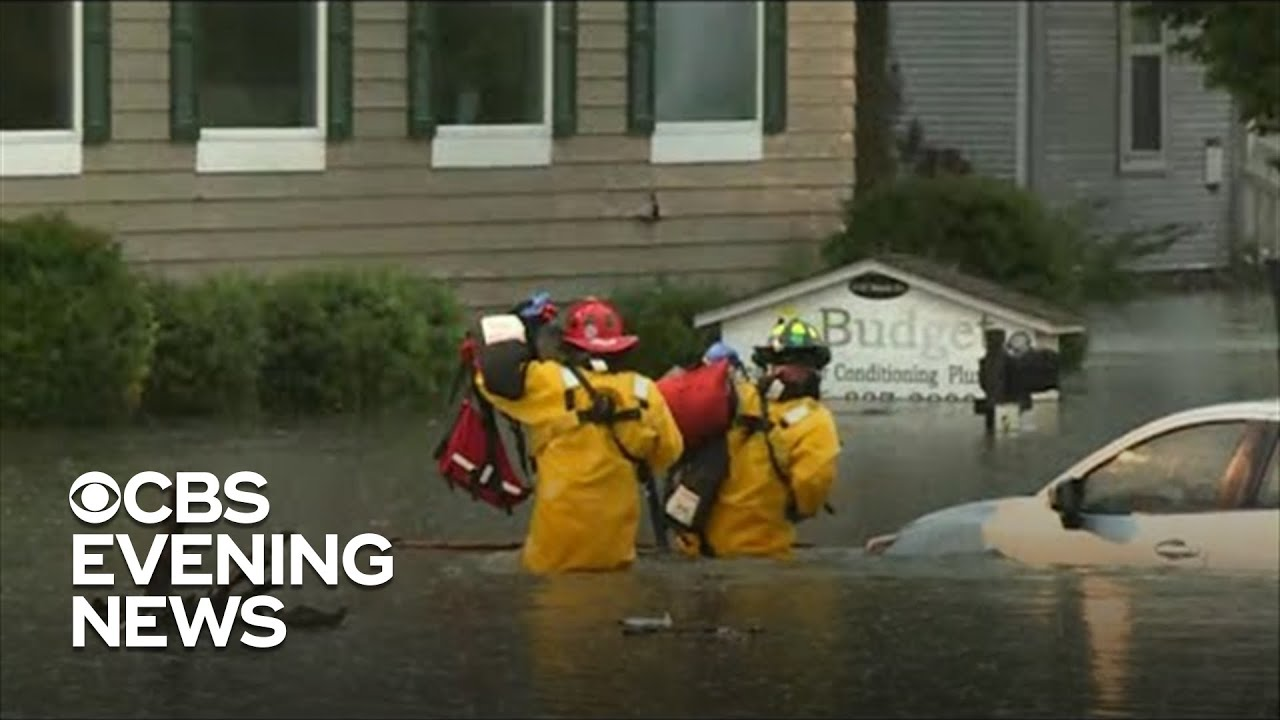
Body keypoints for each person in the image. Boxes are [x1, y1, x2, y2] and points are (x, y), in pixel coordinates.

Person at [472, 295, 685, 574]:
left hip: (555, 547)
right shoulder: (645, 391)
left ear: (570, 345)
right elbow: (670, 452)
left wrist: (523, 329)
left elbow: (487, 379)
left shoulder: (550, 382)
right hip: (614, 546)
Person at [672, 316, 841, 560]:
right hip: (762, 551)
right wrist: (799, 509)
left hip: (697, 547)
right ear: (815, 368)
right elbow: (814, 482)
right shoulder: (816, 420)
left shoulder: (738, 396)